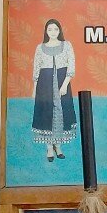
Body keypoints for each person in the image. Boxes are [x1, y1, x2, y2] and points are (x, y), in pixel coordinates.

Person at [32, 19, 77, 162]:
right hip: (44, 85)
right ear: (46, 31)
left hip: (62, 83)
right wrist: (34, 89)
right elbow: (36, 68)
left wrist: (64, 85)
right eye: (50, 29)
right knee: (46, 115)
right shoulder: (40, 48)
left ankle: (58, 146)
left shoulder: (67, 45)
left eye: (55, 29)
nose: (53, 32)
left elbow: (71, 66)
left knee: (60, 114)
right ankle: (49, 148)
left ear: (59, 30)